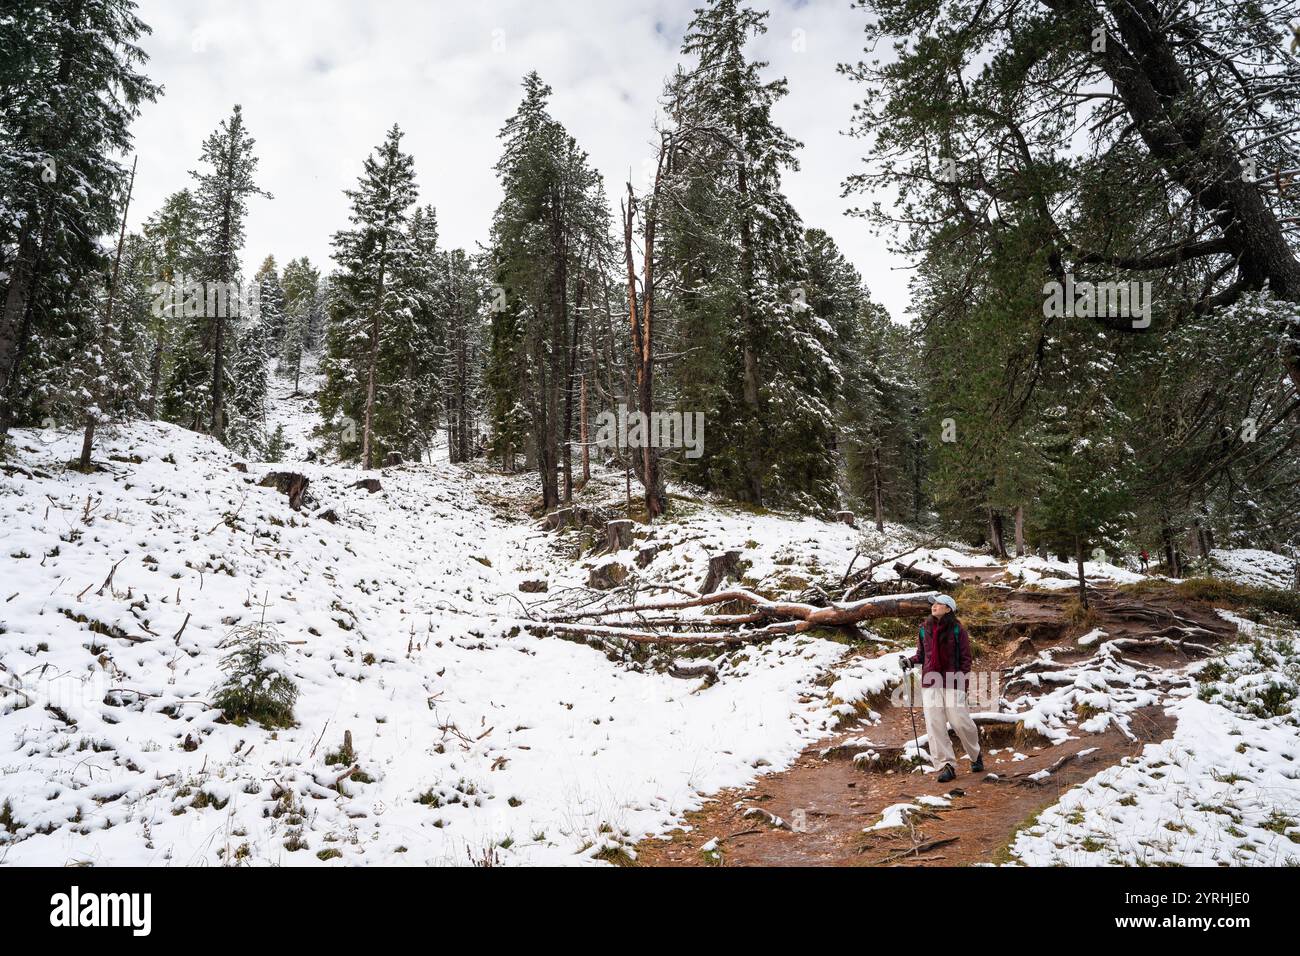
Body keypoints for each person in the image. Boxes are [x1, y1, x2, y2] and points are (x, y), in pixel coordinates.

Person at [899, 594, 982, 783]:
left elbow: (966, 659)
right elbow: (922, 655)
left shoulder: (957, 630)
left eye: (939, 604)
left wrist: (963, 684)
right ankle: (946, 765)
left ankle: (975, 754)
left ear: (948, 609)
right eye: (933, 604)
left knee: (960, 722)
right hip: (930, 681)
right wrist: (909, 662)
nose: (934, 606)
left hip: (953, 681)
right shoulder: (924, 629)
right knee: (934, 724)